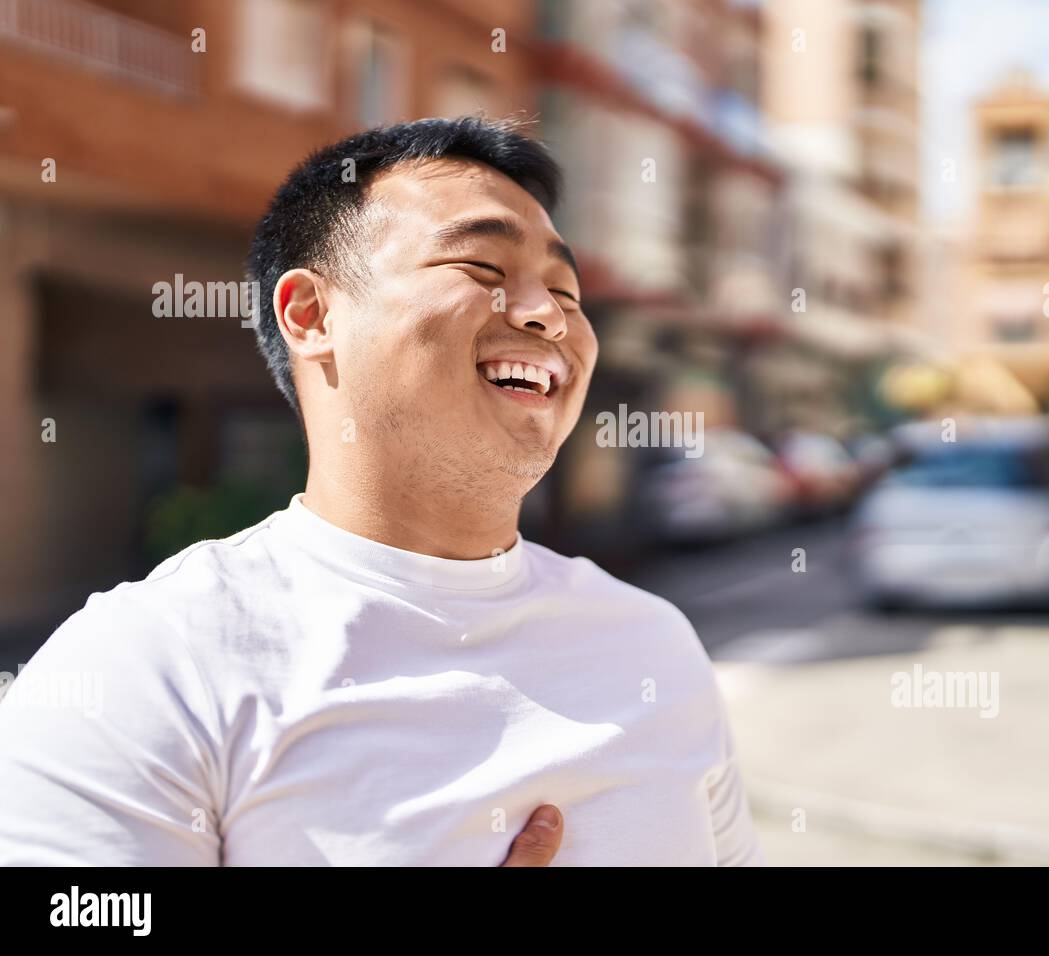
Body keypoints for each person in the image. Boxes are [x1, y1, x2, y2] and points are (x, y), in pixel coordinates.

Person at [0, 116, 765, 866]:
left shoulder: (655, 642)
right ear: (311, 315)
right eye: (483, 270)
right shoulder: (147, 668)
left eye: (568, 295)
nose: (546, 317)